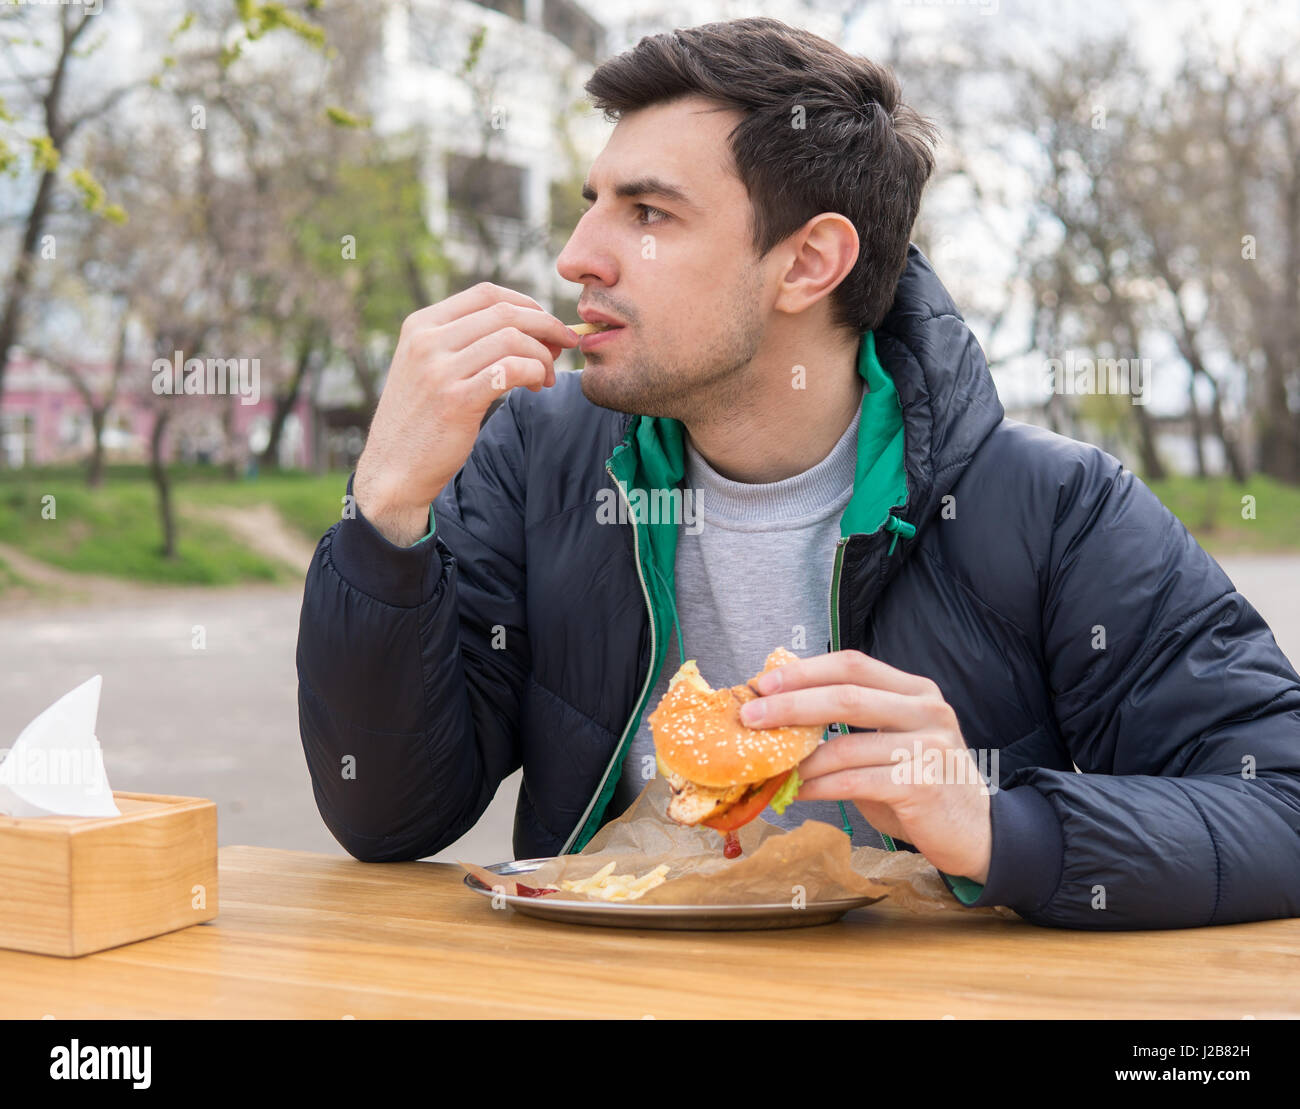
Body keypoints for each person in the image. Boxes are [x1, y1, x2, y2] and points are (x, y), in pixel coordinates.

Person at [296, 17, 1300, 929]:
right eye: (589, 203)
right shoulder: (533, 461)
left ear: (808, 261)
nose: (576, 256)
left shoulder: (1051, 508)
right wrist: (385, 513)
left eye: (646, 212)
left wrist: (998, 829)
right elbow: (390, 817)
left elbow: (1283, 804)